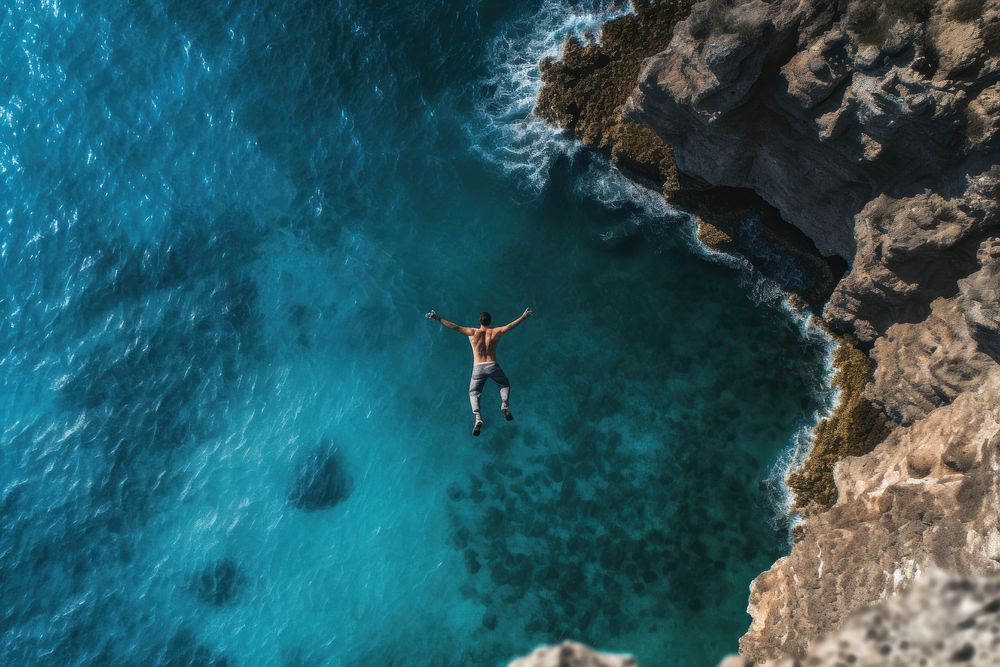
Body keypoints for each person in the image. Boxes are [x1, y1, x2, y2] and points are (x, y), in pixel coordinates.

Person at [425, 307, 533, 436]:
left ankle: (478, 418)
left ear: (480, 321)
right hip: (492, 365)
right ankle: (504, 405)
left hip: (478, 367)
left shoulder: (472, 332)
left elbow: (454, 327)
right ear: (490, 321)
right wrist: (523, 316)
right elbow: (510, 326)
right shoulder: (496, 331)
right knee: (504, 385)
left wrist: (437, 318)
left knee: (474, 393)